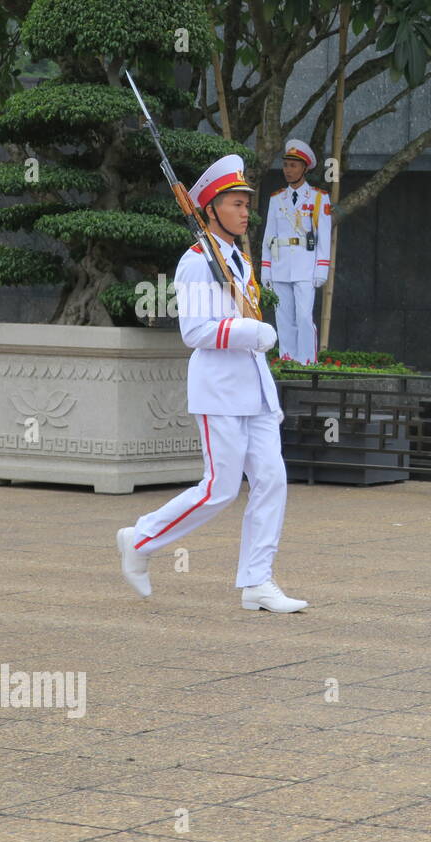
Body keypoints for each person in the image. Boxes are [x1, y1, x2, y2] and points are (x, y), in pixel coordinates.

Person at [116, 154, 308, 613]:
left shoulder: (237, 259)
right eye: (236, 204)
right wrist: (249, 332)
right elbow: (195, 331)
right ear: (211, 208)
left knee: (272, 480)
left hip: (253, 390)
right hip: (220, 389)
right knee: (220, 487)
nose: (245, 212)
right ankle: (140, 538)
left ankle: (258, 581)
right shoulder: (197, 262)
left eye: (246, 204)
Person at [260, 139, 332, 364]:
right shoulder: (276, 198)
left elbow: (324, 236)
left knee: (303, 316)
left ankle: (307, 361)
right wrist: (266, 268)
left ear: (304, 168)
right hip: (281, 264)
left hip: (305, 265)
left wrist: (322, 268)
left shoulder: (319, 198)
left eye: (293, 165)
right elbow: (269, 236)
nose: (288, 170)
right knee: (283, 318)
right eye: (286, 165)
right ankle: (287, 359)